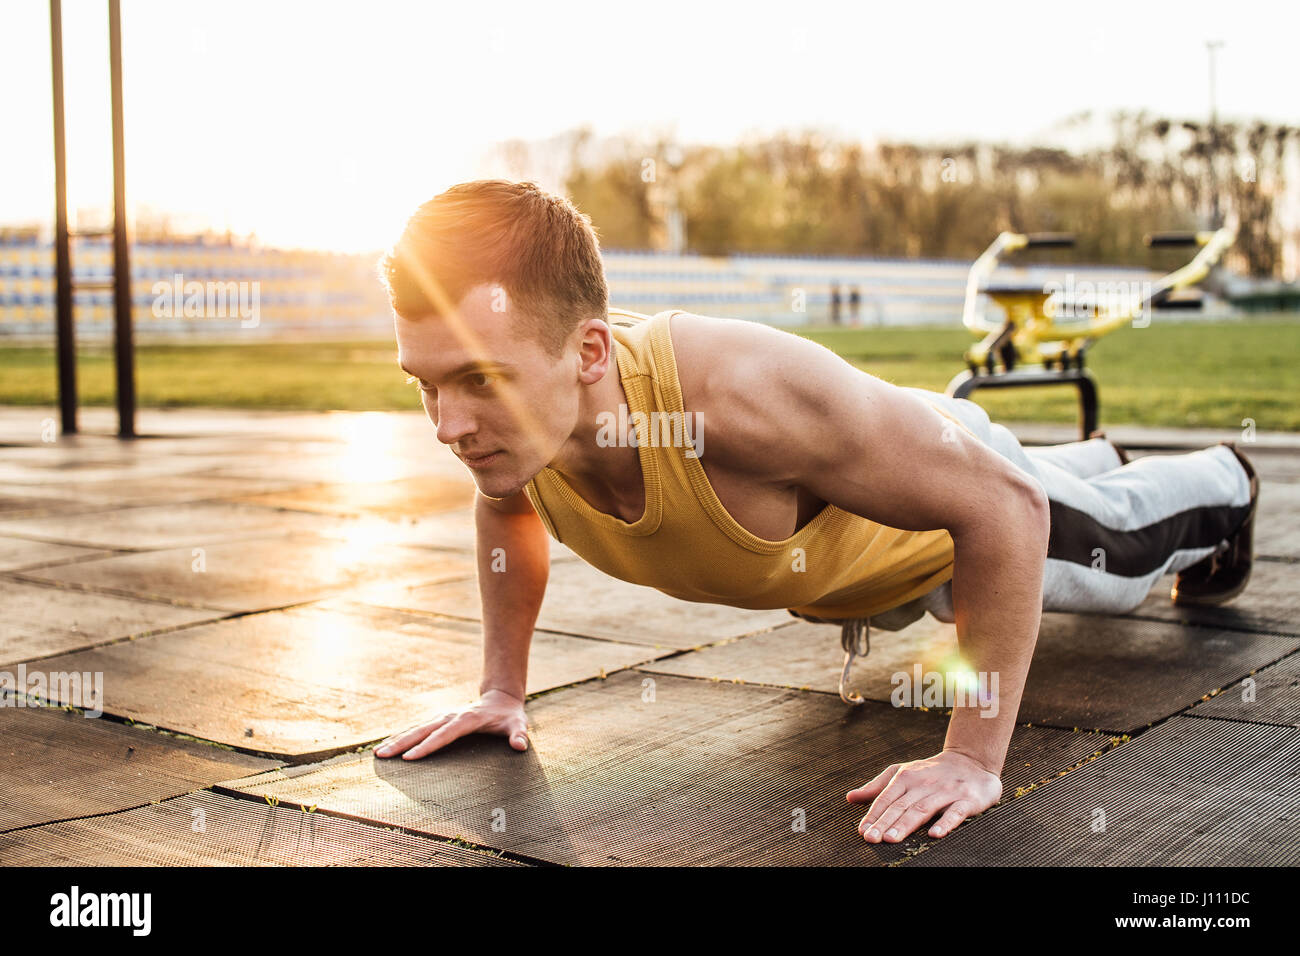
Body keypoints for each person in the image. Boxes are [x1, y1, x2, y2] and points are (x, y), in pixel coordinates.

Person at [373, 180, 1258, 847]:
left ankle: (1224, 479)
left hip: (953, 518)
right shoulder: (520, 432)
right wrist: (500, 687)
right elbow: (507, 511)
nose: (448, 427)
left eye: (479, 380)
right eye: (427, 385)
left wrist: (971, 759)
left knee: (1118, 555)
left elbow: (1002, 509)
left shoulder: (738, 395)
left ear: (590, 352)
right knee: (1017, 499)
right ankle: (1090, 461)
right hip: (870, 512)